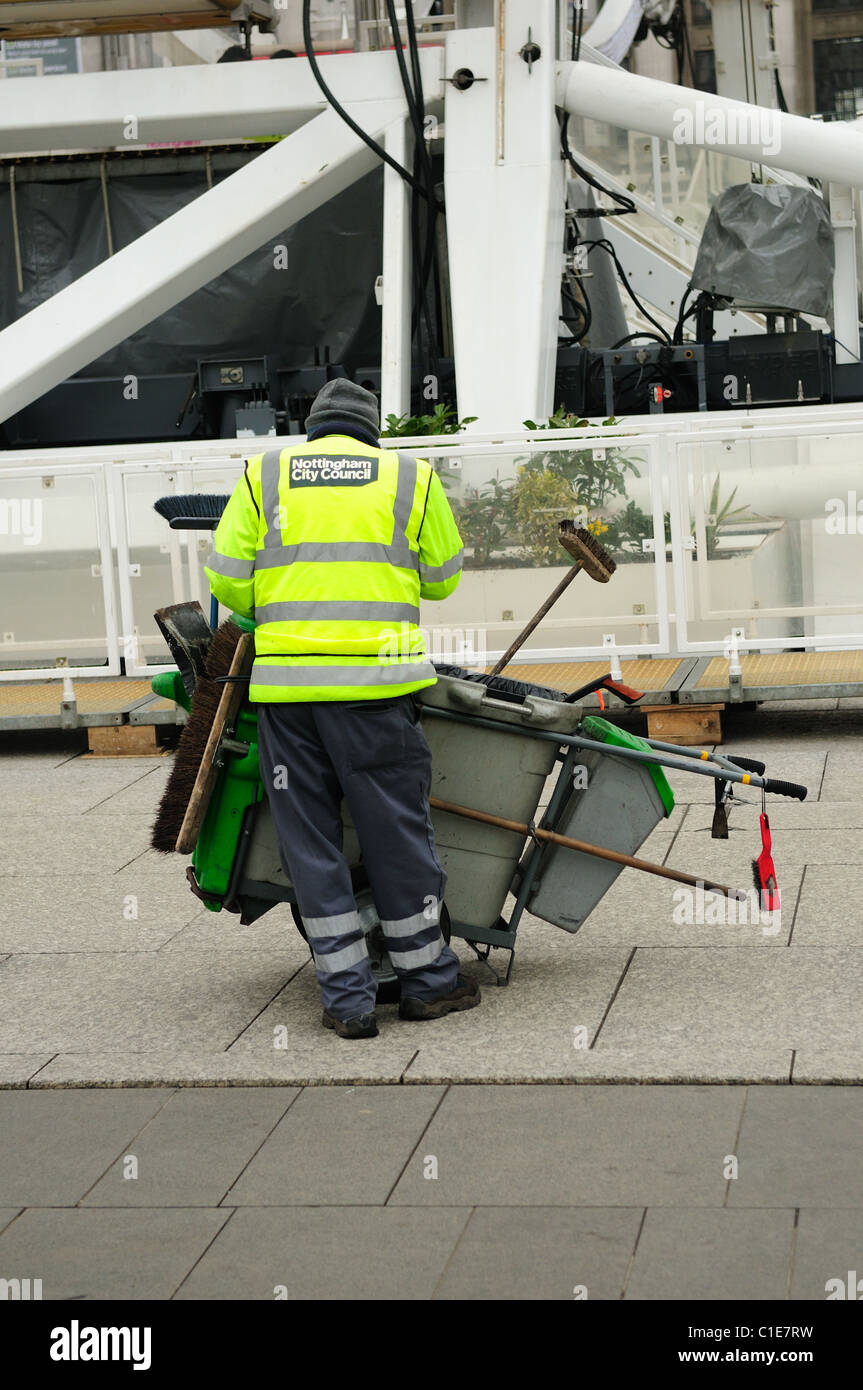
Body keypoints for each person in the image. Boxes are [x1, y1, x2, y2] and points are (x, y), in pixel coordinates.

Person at [205, 379, 480, 1039]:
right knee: (396, 835)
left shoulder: (265, 474)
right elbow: (442, 580)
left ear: (315, 430)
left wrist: (275, 607)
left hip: (289, 698)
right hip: (378, 691)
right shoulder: (409, 476)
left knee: (309, 843)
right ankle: (429, 982)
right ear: (369, 431)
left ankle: (347, 1000)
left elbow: (226, 579)